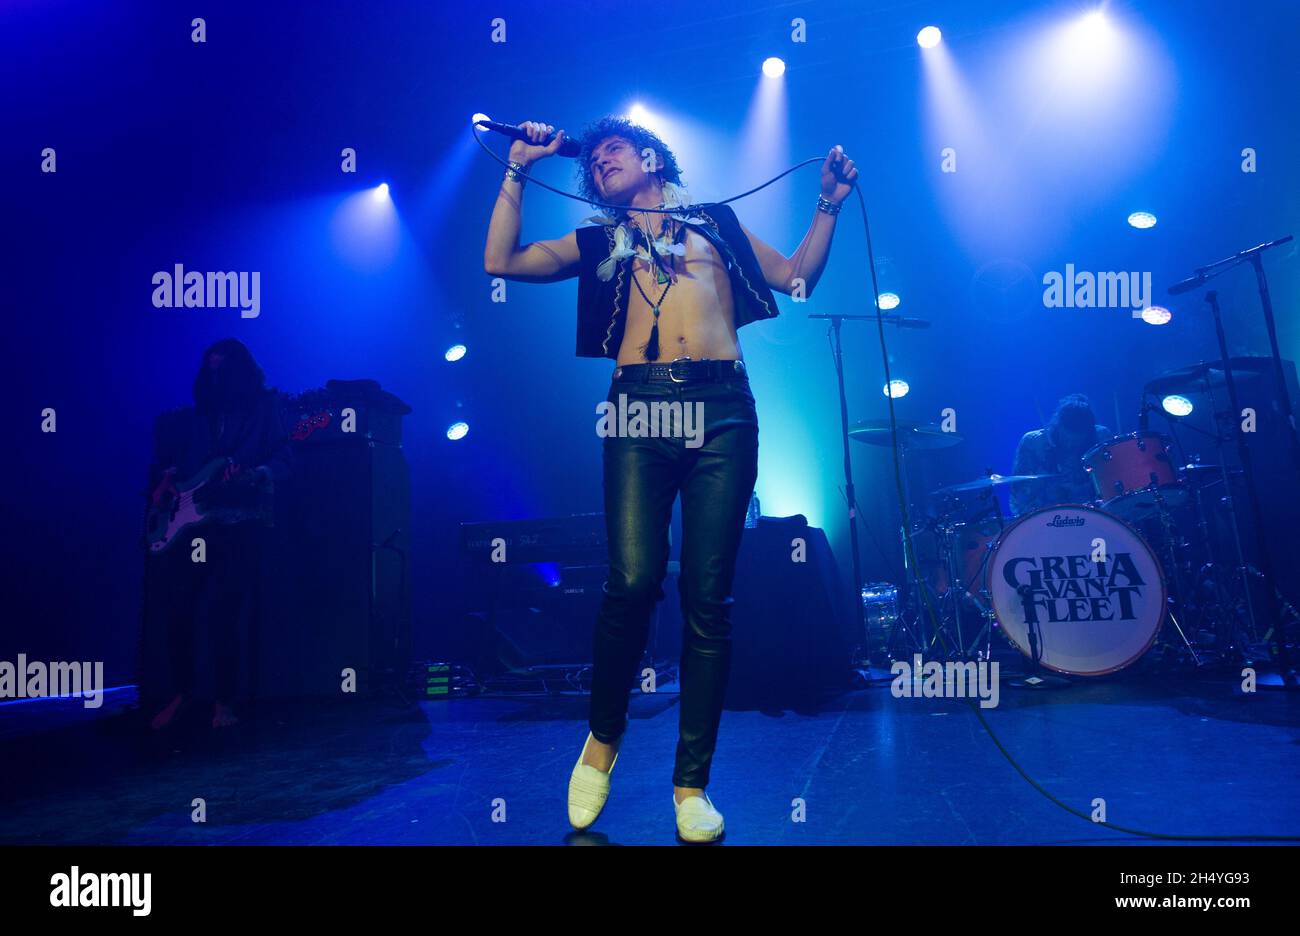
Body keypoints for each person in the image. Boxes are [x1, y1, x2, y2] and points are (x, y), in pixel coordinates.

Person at [483, 115, 856, 841]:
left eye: (611, 151)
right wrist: (518, 167)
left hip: (722, 409)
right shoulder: (598, 241)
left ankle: (691, 786)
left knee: (708, 596)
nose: (597, 165)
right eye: (590, 163)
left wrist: (829, 203)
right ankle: (601, 742)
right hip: (639, 408)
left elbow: (797, 277)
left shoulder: (715, 223)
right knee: (632, 580)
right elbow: (502, 262)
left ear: (649, 157)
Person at [145, 339, 292, 730]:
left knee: (225, 613)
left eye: (222, 371)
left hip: (241, 520)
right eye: (209, 370)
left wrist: (255, 474)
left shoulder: (266, 409)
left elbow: (284, 460)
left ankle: (224, 703)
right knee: (180, 608)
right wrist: (166, 482)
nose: (215, 378)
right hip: (195, 524)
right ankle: (181, 693)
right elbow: (182, 462)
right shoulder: (200, 416)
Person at [1010, 393, 1110, 515]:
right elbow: (1018, 494)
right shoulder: (1033, 443)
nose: (1071, 445)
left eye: (1077, 440)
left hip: (1091, 515)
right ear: (1058, 426)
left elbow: (1110, 486)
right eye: (1067, 438)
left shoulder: (1101, 438)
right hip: (1045, 519)